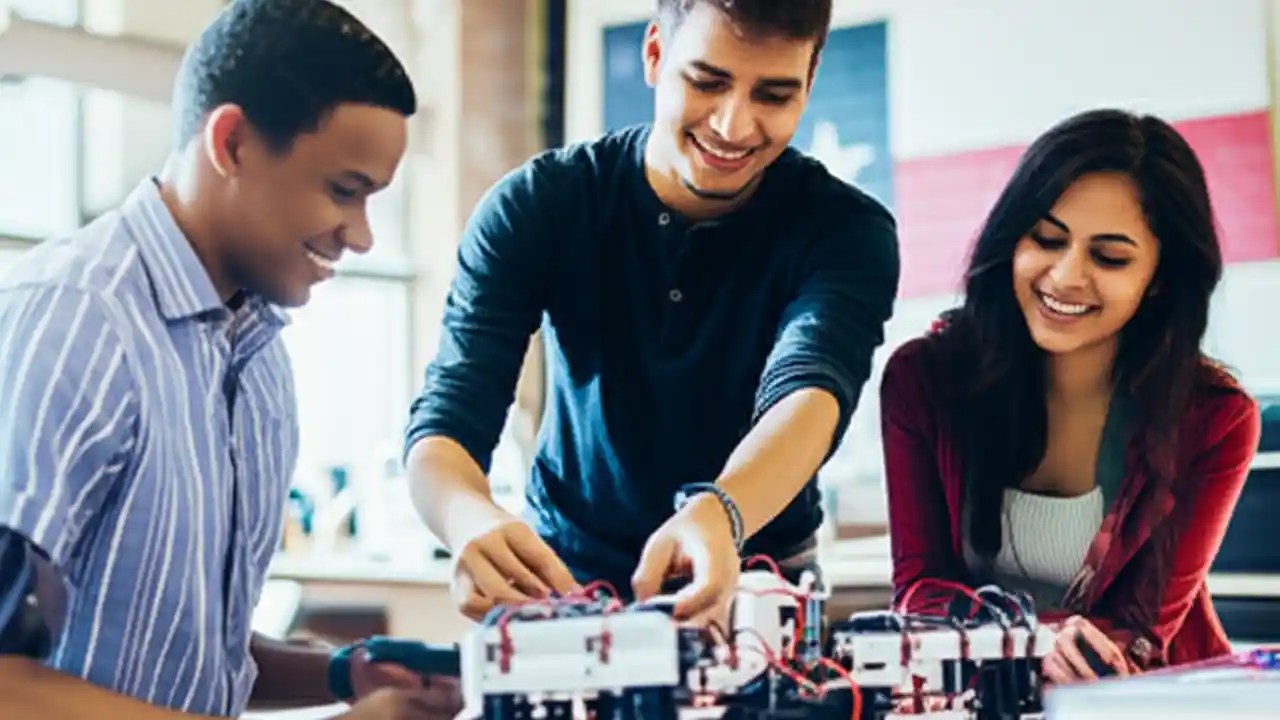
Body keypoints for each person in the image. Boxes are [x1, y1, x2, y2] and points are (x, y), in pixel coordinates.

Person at [0, 1, 460, 718]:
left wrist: (345, 677)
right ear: (235, 143)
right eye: (345, 191)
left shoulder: (256, 359)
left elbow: (190, 660)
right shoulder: (78, 322)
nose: (363, 236)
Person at [405, 0, 900, 625]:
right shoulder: (538, 206)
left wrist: (721, 512)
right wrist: (467, 519)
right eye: (707, 82)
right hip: (564, 584)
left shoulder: (846, 231)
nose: (733, 125)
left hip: (758, 590)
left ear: (811, 77)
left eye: (773, 96)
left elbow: (809, 394)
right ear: (655, 55)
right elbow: (448, 419)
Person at [879, 109, 1261, 685]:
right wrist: (1036, 640)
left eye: (1109, 257)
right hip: (980, 696)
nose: (1064, 277)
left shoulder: (1215, 418)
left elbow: (1138, 630)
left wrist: (1016, 638)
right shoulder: (924, 379)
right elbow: (919, 588)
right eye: (1047, 239)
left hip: (1144, 701)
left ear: (1159, 278)